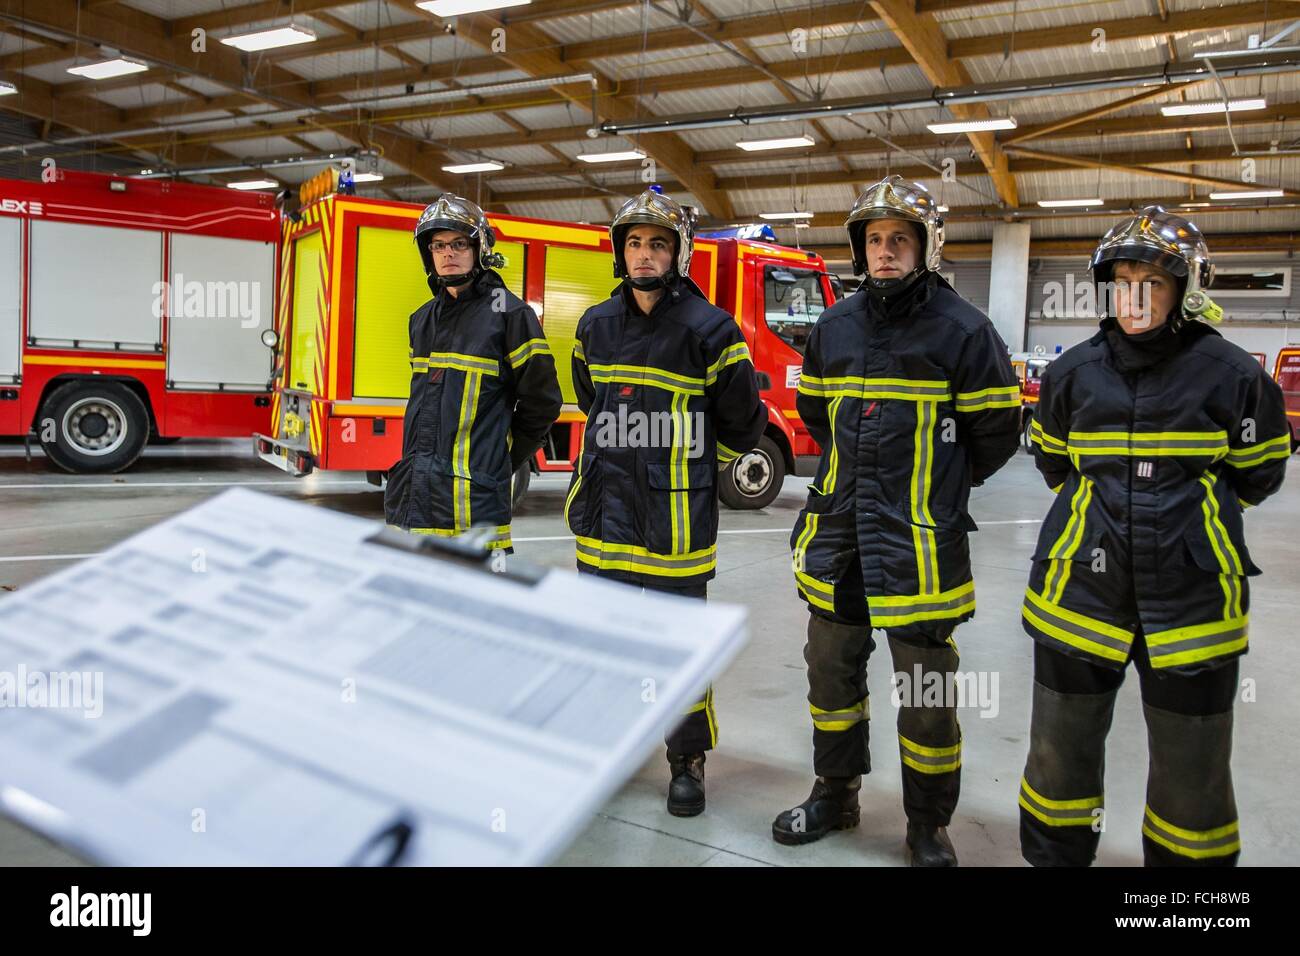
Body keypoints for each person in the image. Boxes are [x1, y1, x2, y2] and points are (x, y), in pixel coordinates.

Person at [1019, 207, 1290, 867]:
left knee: (1192, 779)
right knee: (1060, 762)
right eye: (1122, 281)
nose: (1134, 296)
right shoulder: (1072, 374)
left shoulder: (1235, 377)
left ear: (1186, 289)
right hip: (1078, 597)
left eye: (1153, 281)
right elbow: (1056, 464)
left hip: (1193, 606)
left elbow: (1259, 475)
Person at [771, 175, 1021, 866]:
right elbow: (819, 415)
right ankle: (834, 793)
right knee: (831, 674)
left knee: (927, 688)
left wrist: (938, 489)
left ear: (925, 247)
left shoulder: (965, 329)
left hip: (921, 544)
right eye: (875, 239)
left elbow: (996, 432)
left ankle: (926, 824)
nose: (885, 251)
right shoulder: (835, 325)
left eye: (899, 239)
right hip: (841, 538)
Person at [565, 186, 765, 816]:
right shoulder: (596, 324)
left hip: (674, 523)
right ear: (620, 253)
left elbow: (742, 427)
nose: (644, 255)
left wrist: (694, 477)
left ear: (678, 253)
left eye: (657, 244)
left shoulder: (711, 329)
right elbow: (591, 403)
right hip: (603, 517)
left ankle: (687, 760)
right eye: (634, 243)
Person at [384, 194, 561, 550]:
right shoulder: (421, 320)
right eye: (438, 245)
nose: (448, 253)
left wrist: (502, 457)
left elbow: (542, 402)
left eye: (459, 243)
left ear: (479, 248)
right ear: (428, 253)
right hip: (417, 499)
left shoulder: (511, 315)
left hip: (474, 504)